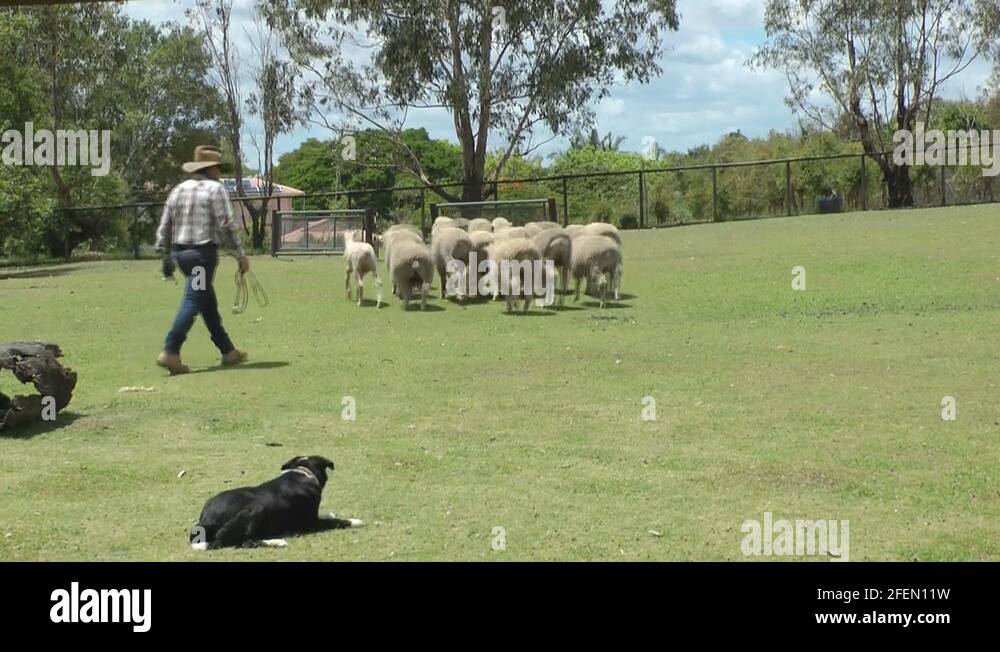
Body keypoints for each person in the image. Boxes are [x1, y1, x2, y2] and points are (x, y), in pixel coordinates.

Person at [154, 146, 250, 375]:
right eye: (217, 168)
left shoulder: (178, 190)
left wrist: (164, 253)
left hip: (182, 255)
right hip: (201, 257)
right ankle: (171, 349)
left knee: (206, 300)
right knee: (194, 299)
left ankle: (228, 351)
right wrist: (240, 254)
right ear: (212, 168)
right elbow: (226, 225)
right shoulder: (215, 190)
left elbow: (165, 225)